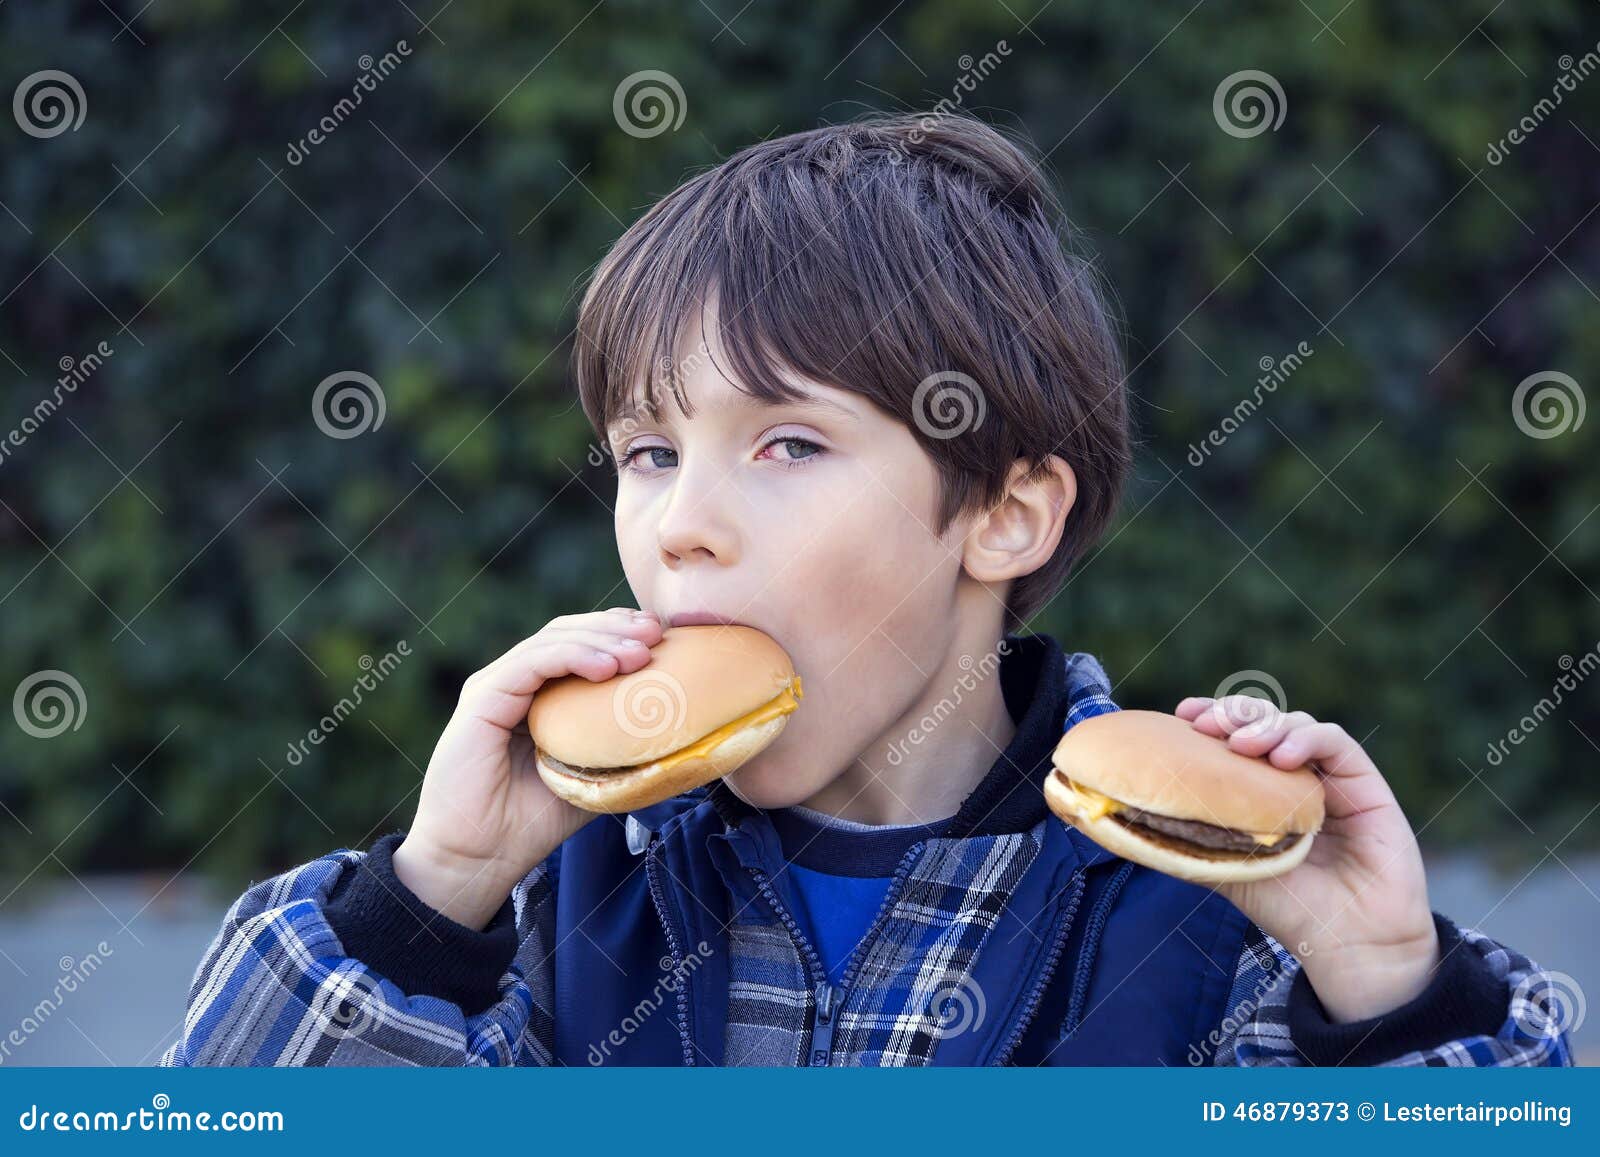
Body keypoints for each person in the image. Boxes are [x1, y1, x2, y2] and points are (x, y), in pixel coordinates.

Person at [161, 113, 1574, 1067]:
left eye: (786, 443)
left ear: (1007, 513)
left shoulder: (1208, 920)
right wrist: (432, 895)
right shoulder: (559, 902)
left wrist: (1392, 989)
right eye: (649, 451)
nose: (683, 526)